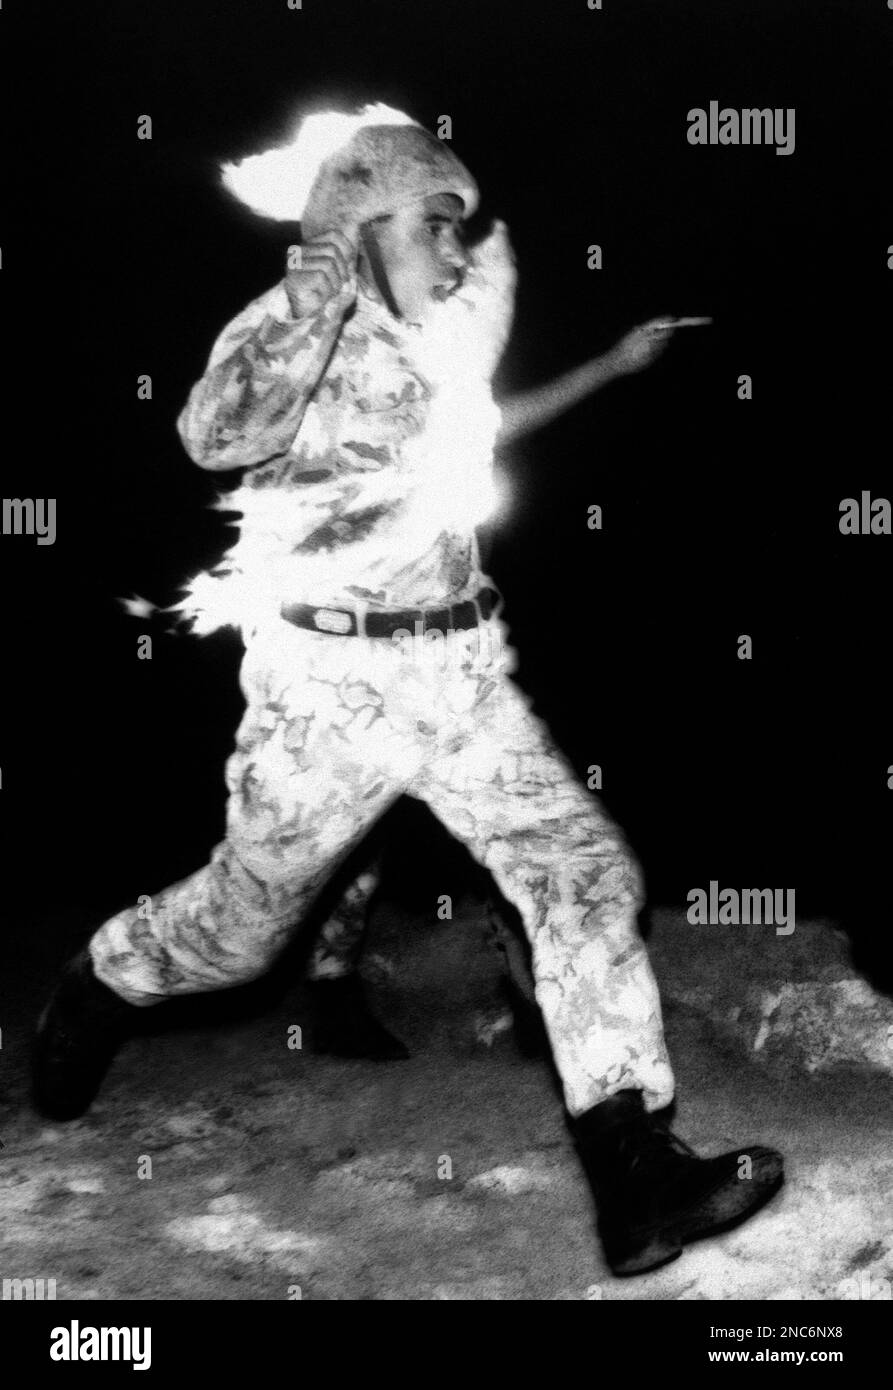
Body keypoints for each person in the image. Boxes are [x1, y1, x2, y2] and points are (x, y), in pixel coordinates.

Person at [34, 104, 783, 1275]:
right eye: (436, 226)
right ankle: (109, 977)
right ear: (359, 227)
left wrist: (613, 364)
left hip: (460, 675)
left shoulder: (432, 356)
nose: (455, 251)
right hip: (329, 689)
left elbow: (480, 444)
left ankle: (636, 1174)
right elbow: (212, 431)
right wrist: (307, 300)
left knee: (580, 871)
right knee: (239, 932)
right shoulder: (301, 325)